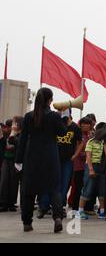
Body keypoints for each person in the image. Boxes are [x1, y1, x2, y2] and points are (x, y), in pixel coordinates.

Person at [16, 88, 66, 233]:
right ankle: (57, 218)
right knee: (54, 188)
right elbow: (62, 132)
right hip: (50, 156)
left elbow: (23, 139)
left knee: (29, 190)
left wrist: (18, 160)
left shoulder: (28, 116)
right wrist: (62, 115)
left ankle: (27, 222)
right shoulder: (54, 116)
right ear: (50, 100)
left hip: (31, 156)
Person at [76, 123, 106, 220]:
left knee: (102, 190)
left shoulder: (104, 142)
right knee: (87, 189)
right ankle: (80, 211)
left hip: (102, 167)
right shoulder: (91, 142)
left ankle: (102, 211)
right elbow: (88, 156)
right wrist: (90, 169)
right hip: (92, 165)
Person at [0, 116, 23, 212]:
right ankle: (3, 202)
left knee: (13, 182)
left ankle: (11, 203)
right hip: (6, 160)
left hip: (15, 160)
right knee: (4, 181)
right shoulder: (6, 134)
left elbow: (14, 144)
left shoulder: (20, 135)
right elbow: (7, 144)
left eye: (14, 123)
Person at [71, 117, 92, 211]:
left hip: (87, 166)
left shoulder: (90, 136)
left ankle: (84, 207)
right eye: (85, 124)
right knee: (78, 187)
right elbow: (77, 151)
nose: (87, 126)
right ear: (81, 125)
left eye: (89, 124)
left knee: (86, 186)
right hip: (78, 165)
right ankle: (75, 207)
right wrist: (87, 154)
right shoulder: (78, 136)